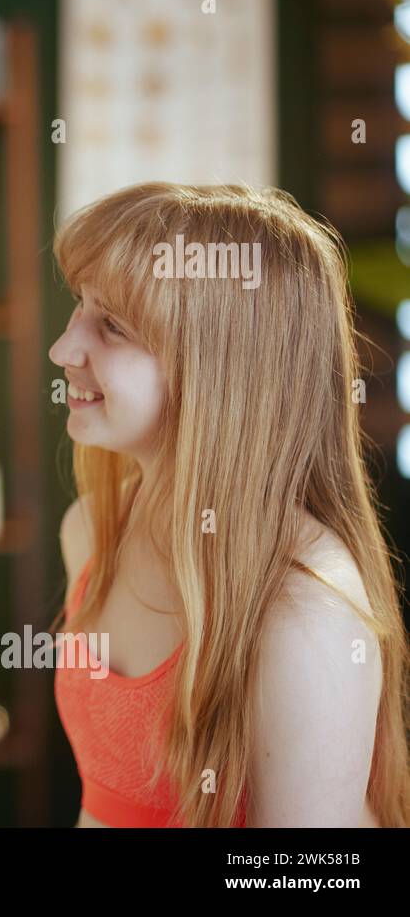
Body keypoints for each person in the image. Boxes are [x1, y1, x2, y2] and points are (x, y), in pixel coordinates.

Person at [47, 182, 410, 827]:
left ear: (217, 365)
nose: (64, 350)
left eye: (113, 326)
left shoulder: (304, 608)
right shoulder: (92, 532)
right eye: (81, 308)